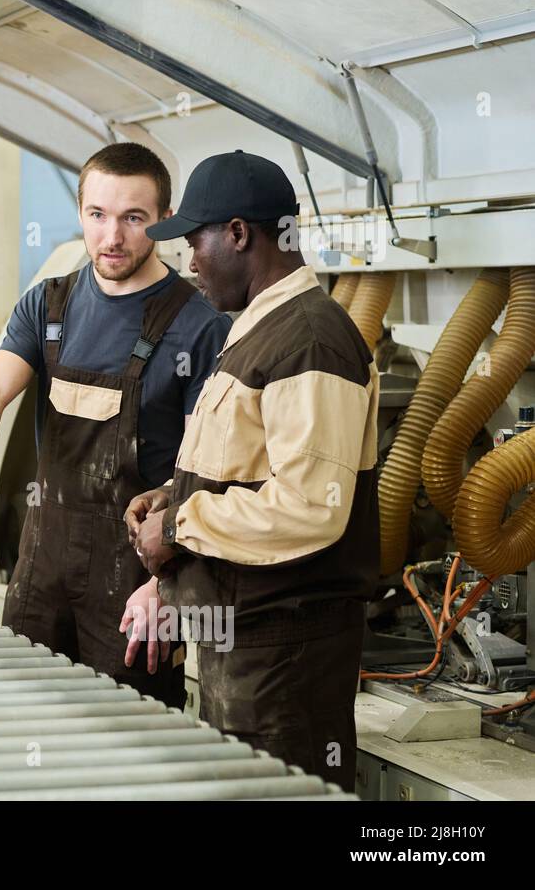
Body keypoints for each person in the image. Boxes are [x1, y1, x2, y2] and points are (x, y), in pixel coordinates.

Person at [0, 142, 230, 708]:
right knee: (25, 717)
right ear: (80, 214)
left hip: (138, 578)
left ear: (164, 221)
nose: (112, 236)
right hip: (42, 566)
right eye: (97, 215)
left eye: (133, 218)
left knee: (133, 744)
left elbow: (208, 473)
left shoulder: (200, 327)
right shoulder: (47, 306)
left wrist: (166, 585)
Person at [125, 149, 379, 790]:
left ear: (239, 233)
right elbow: (248, 465)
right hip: (245, 645)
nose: (188, 263)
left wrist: (179, 527)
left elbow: (309, 507)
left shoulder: (309, 339)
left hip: (285, 656)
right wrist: (169, 496)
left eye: (193, 242)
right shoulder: (260, 329)